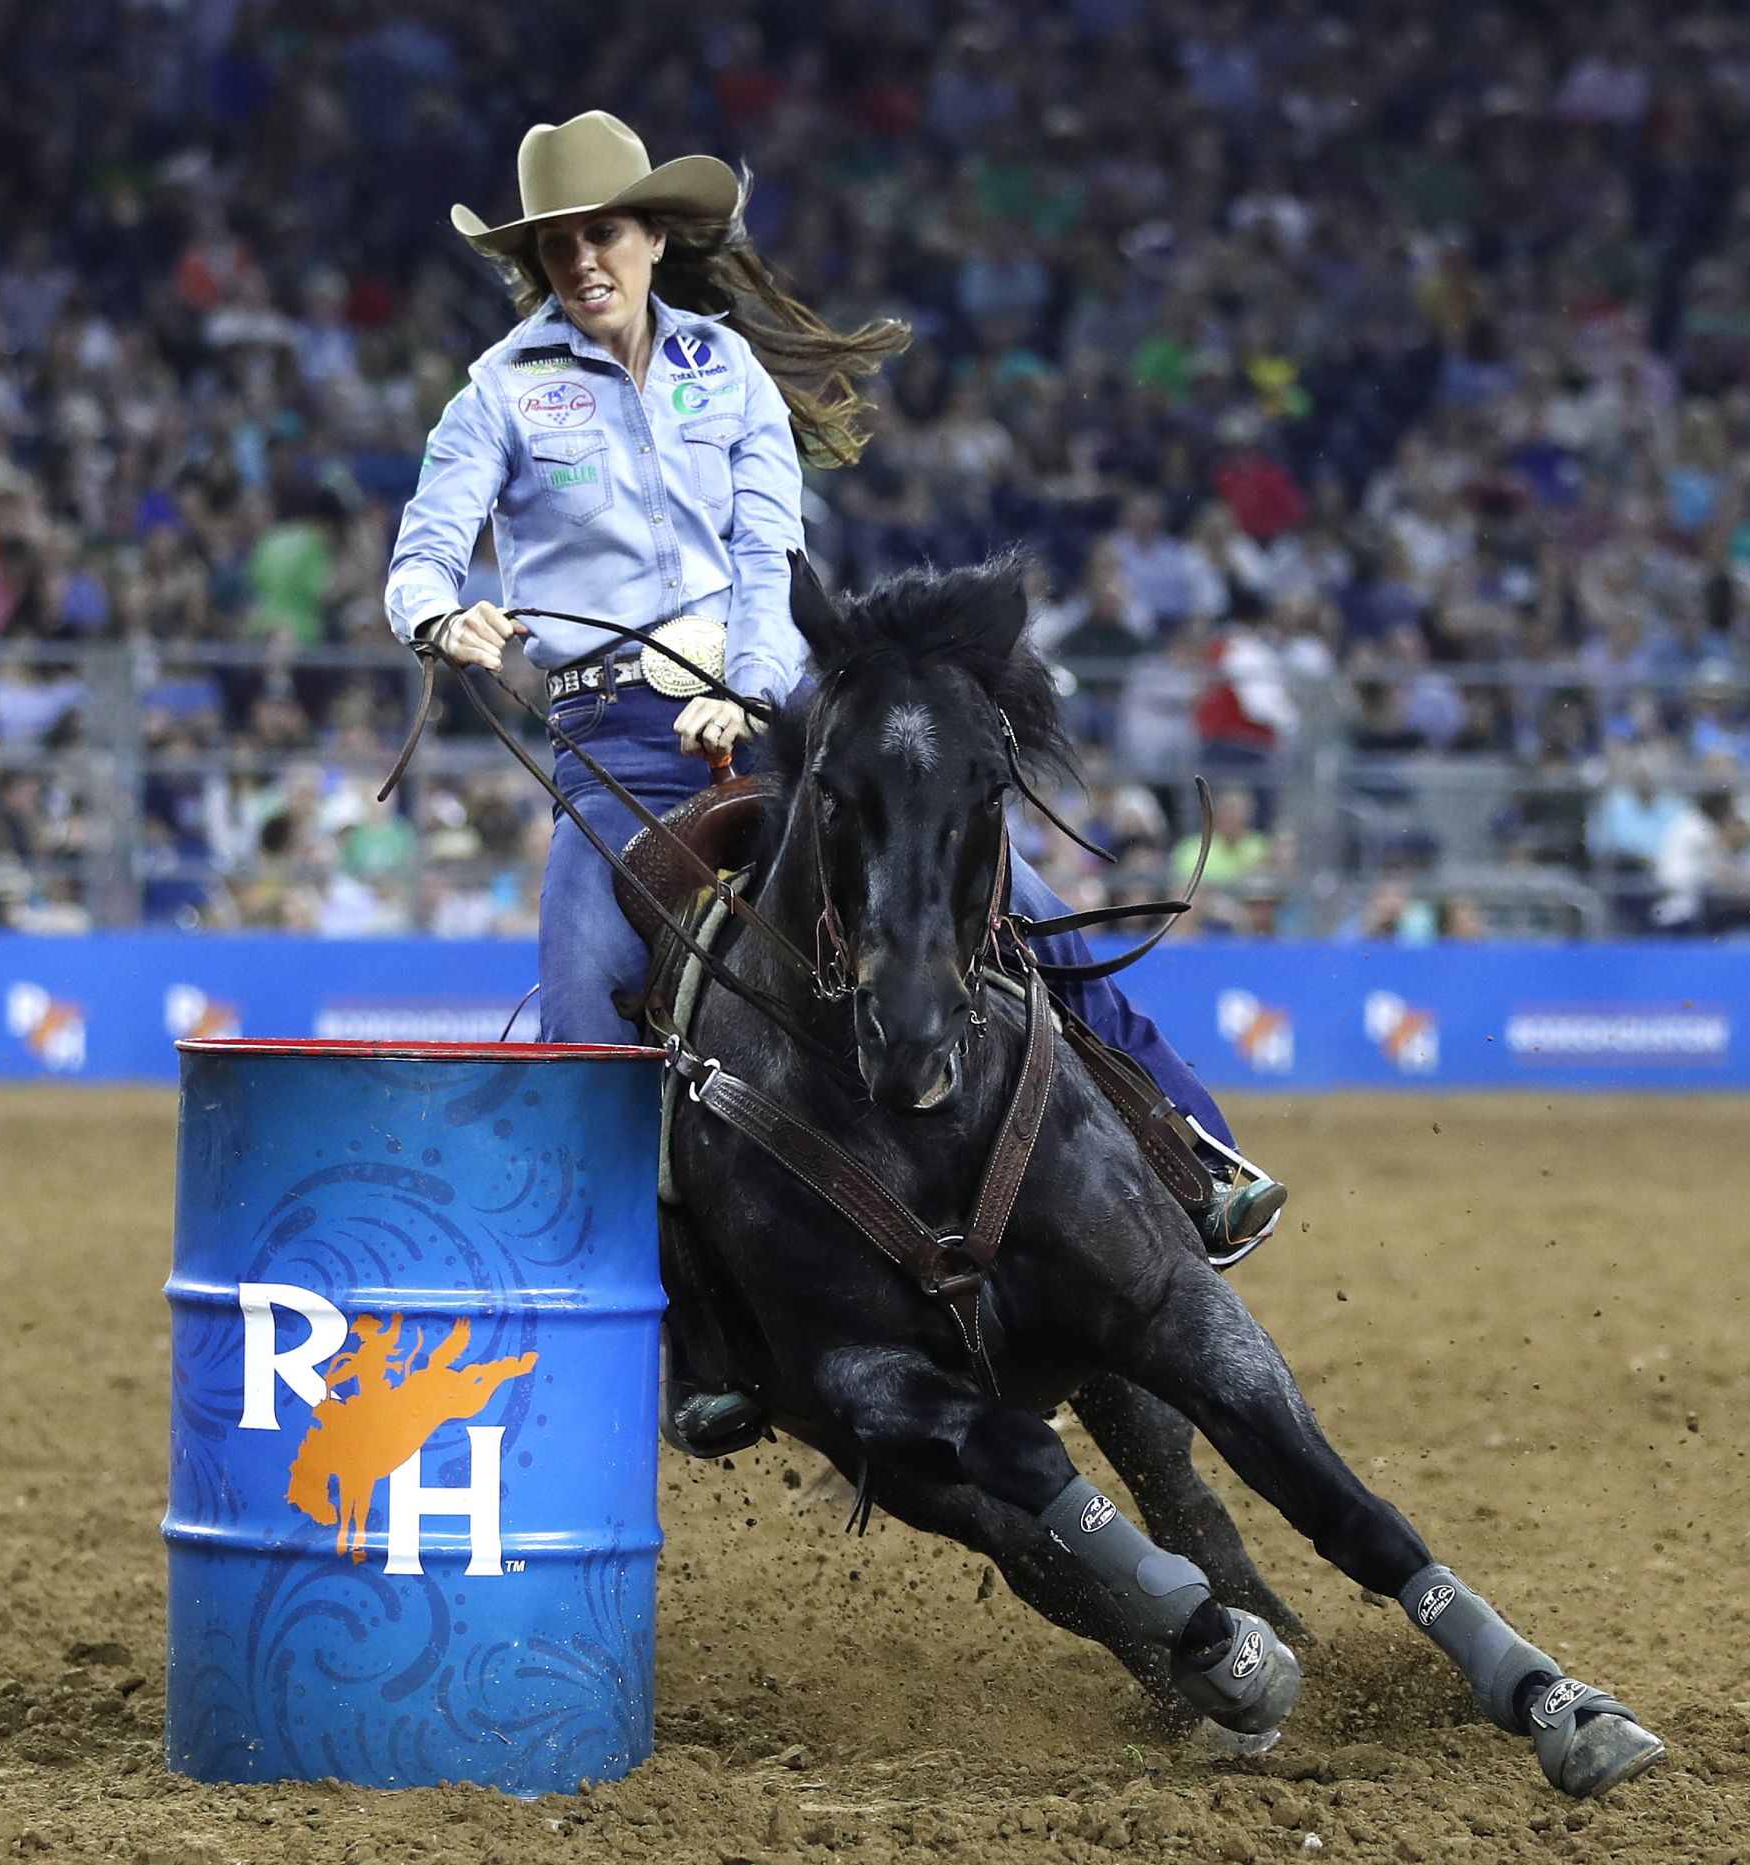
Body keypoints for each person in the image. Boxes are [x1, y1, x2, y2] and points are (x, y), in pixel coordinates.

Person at [383, 113, 1285, 1447]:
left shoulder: (726, 374)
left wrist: (735, 686)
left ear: (653, 239)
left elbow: (770, 552)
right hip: (613, 755)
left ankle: (1186, 1150)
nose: (585, 258)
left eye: (606, 232)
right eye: (558, 242)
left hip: (783, 711)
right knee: (584, 1013)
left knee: (1020, 897)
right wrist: (437, 617)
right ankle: (695, 1341)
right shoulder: (499, 394)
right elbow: (423, 547)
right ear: (535, 260)